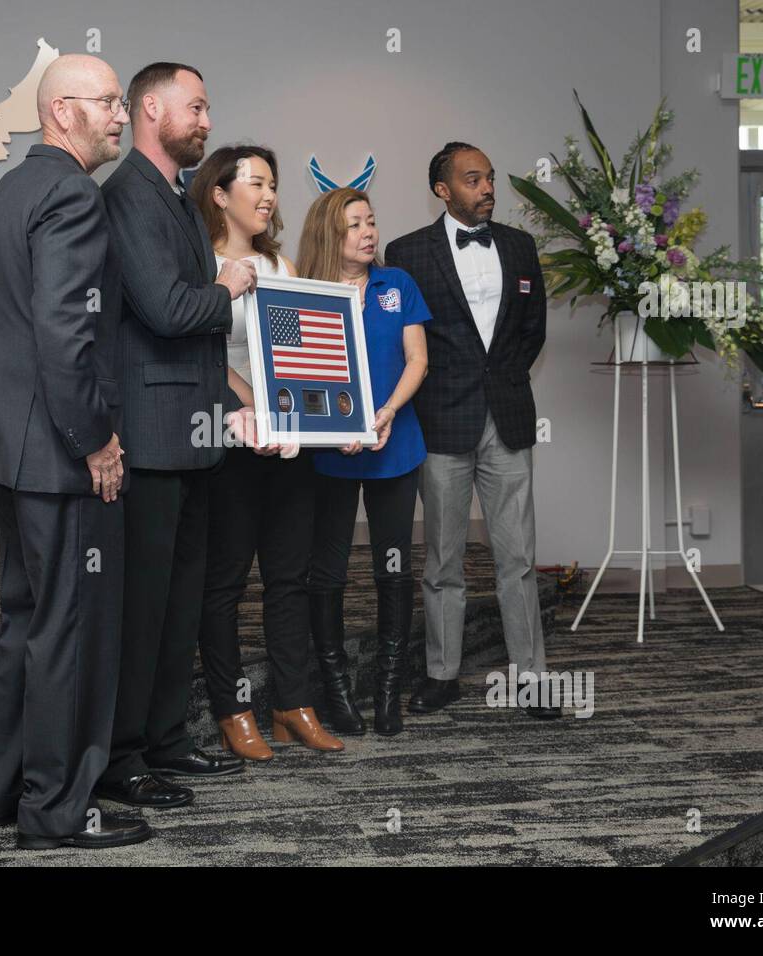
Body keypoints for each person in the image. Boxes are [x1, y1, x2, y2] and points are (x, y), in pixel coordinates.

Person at [0, 54, 150, 850]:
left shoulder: (10, 189)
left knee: (26, 624)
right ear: (61, 110)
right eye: (106, 102)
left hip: (14, 451)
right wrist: (98, 440)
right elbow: (65, 336)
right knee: (67, 632)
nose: (121, 115)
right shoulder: (72, 193)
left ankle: (5, 790)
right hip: (63, 455)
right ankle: (58, 811)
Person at [95, 63, 259, 809]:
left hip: (193, 436)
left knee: (179, 605)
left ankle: (167, 740)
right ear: (149, 107)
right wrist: (226, 287)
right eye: (195, 107)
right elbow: (164, 309)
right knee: (144, 609)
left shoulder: (178, 199)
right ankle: (122, 758)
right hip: (153, 439)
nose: (205, 119)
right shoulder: (127, 193)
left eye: (207, 107)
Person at [383, 142, 558, 719]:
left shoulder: (519, 245)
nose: (487, 188)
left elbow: (532, 331)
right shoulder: (405, 252)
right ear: (443, 189)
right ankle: (441, 674)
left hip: (506, 417)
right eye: (472, 179)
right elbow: (406, 340)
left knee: (519, 558)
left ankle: (531, 678)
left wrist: (502, 377)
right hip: (439, 422)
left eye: (489, 179)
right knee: (442, 561)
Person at [190, 145, 344, 761]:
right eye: (255, 182)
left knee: (290, 578)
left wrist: (336, 409)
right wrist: (255, 404)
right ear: (220, 193)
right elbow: (204, 353)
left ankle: (292, 702)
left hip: (289, 444)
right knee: (224, 583)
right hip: (230, 441)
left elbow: (305, 358)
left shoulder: (282, 264)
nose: (269, 194)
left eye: (274, 184)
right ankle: (233, 710)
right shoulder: (201, 264)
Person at [300, 187, 430, 737]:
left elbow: (417, 358)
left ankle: (386, 692)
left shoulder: (396, 285)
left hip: (393, 448)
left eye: (372, 221)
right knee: (327, 574)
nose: (368, 232)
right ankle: (335, 691)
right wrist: (337, 427)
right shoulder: (306, 294)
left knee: (392, 570)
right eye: (355, 224)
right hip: (328, 455)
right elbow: (298, 376)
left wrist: (387, 413)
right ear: (332, 233)